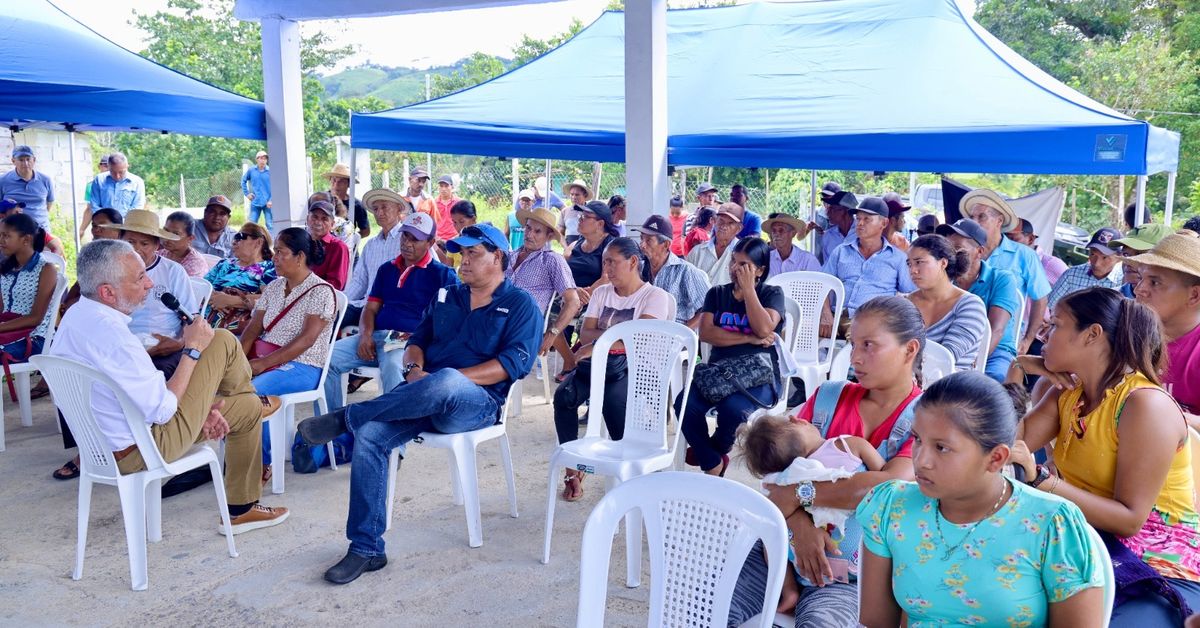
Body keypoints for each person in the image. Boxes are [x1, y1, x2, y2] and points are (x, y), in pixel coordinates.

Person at [296, 223, 540, 585]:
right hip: (422, 397)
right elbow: (416, 342)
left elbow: (511, 365)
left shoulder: (521, 304)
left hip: (476, 405)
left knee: (447, 380)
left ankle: (348, 416)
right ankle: (366, 548)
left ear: (498, 257)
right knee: (371, 435)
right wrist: (413, 371)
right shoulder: (448, 296)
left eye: (473, 253)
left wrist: (445, 381)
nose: (463, 260)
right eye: (462, 253)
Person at [50, 239, 289, 535]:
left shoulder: (76, 316)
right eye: (139, 278)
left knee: (226, 354)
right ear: (107, 292)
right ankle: (241, 509)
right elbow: (163, 411)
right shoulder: (117, 339)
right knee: (239, 385)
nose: (150, 283)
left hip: (100, 445)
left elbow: (133, 394)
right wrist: (192, 348)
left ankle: (229, 406)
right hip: (141, 447)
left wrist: (202, 405)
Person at [726, 296, 924, 627]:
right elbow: (774, 478)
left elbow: (887, 488)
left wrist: (798, 495)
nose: (855, 357)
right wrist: (799, 525)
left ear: (909, 349)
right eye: (853, 344)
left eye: (869, 345)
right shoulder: (828, 397)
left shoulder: (925, 419)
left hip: (854, 575)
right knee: (707, 608)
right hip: (784, 550)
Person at [1011, 287, 1200, 625]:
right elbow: (1002, 448)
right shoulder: (1068, 393)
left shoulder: (1143, 405)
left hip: (1158, 564)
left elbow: (1129, 520)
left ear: (1092, 335)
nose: (1044, 335)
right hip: (1083, 540)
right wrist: (1018, 370)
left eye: (1056, 325)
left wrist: (1041, 480)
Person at [857, 371, 1105, 627]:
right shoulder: (893, 508)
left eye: (942, 447)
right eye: (918, 439)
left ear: (996, 458)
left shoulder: (1052, 526)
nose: (921, 460)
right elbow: (877, 623)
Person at [554, 238, 672, 501]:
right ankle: (573, 470)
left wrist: (600, 343)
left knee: (613, 402)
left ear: (633, 262)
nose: (606, 269)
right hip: (599, 366)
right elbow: (585, 333)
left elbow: (639, 340)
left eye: (612, 262)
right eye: (604, 262)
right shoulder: (602, 293)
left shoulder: (655, 296)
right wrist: (612, 341)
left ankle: (630, 473)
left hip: (636, 370)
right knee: (564, 396)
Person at [738, 417, 885, 611]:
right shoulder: (849, 446)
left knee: (770, 539)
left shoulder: (780, 479)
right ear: (798, 420)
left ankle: (789, 590)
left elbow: (770, 516)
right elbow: (888, 481)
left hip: (805, 571)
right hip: (862, 562)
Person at [324, 213, 459, 410]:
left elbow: (448, 320)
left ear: (430, 243)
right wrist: (365, 335)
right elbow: (370, 308)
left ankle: (393, 428)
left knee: (394, 365)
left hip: (410, 343)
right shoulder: (386, 269)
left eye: (415, 239)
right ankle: (334, 423)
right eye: (405, 236)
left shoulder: (443, 275)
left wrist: (419, 339)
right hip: (377, 337)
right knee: (327, 358)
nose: (407, 243)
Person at [681, 238, 785, 476]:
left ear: (760, 270)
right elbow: (707, 333)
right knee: (684, 404)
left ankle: (713, 451)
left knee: (734, 410)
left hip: (759, 376)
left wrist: (749, 291)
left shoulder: (771, 294)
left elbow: (763, 329)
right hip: (720, 373)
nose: (734, 268)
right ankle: (713, 462)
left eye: (744, 265)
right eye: (733, 261)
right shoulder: (717, 294)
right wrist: (749, 338)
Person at [240, 228, 337, 476]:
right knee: (230, 384)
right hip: (268, 361)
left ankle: (261, 464)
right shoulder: (274, 287)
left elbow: (306, 340)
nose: (274, 258)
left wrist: (262, 365)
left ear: (300, 257)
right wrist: (238, 362)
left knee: (252, 391)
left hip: (305, 366)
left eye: (281, 252)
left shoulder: (321, 291)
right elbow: (252, 330)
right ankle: (239, 456)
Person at [108, 210, 200, 374]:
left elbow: (191, 317)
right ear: (120, 241)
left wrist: (179, 342)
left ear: (157, 245)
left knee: (157, 373)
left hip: (163, 346)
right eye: (130, 242)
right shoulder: (109, 270)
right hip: (122, 344)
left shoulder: (173, 271)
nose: (136, 249)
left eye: (144, 244)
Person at [961, 189, 1050, 354]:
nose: (975, 222)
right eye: (972, 217)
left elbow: (1040, 299)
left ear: (999, 221)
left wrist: (1027, 340)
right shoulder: (964, 251)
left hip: (1003, 342)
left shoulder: (1024, 255)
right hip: (962, 335)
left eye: (982, 217)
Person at [1131, 232, 1200, 431]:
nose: (1139, 289)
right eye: (1140, 278)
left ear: (1194, 295)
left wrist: (1162, 415)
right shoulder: (1124, 332)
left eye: (1155, 282)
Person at [939, 219, 1022, 381]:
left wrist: (973, 364)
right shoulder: (943, 277)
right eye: (948, 248)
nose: (950, 254)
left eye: (958, 248)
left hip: (995, 350)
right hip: (952, 343)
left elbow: (996, 330)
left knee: (993, 381)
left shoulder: (1002, 279)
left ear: (979, 252)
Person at [506, 206, 581, 374]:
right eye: (528, 228)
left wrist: (552, 333)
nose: (529, 234)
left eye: (537, 231)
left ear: (549, 236)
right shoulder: (509, 256)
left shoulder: (552, 260)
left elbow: (573, 301)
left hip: (523, 323)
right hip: (498, 317)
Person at [822, 196, 916, 318]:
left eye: (867, 219)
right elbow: (822, 283)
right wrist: (826, 314)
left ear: (884, 223)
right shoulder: (841, 251)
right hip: (838, 318)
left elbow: (912, 292)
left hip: (875, 321)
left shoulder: (898, 258)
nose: (860, 223)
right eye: (858, 218)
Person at [905, 234, 988, 370]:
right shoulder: (905, 303)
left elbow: (945, 359)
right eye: (909, 264)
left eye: (919, 262)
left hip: (950, 381)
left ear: (943, 263)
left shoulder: (970, 306)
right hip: (906, 378)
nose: (913, 270)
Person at [558, 200, 620, 379]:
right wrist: (572, 293)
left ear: (600, 224)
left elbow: (606, 279)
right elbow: (561, 273)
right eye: (580, 215)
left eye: (585, 216)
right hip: (571, 295)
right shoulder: (574, 245)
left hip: (598, 299)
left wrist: (582, 298)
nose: (580, 219)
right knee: (545, 316)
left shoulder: (610, 246)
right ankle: (570, 361)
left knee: (586, 325)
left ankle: (581, 365)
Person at [343, 188, 411, 331]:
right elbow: (359, 281)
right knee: (331, 317)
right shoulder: (370, 245)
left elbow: (430, 268)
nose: (379, 213)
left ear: (399, 208)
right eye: (375, 209)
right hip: (366, 307)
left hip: (395, 308)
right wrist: (341, 301)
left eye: (384, 207)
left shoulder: (409, 240)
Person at [634, 215, 710, 328]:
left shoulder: (686, 271)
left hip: (674, 334)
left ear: (666, 244)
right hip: (642, 333)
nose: (642, 245)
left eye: (649, 240)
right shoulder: (638, 268)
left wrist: (682, 331)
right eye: (641, 239)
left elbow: (709, 307)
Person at [0, 213, 58, 362]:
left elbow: (35, 318)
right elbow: (1, 309)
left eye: (6, 236)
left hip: (34, 338)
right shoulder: (6, 268)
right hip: (7, 332)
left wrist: (2, 327)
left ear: (26, 239)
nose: (1, 240)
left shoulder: (46, 269)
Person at [204, 222, 275, 333]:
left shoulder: (268, 268)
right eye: (234, 237)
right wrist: (214, 299)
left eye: (240, 237)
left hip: (236, 330)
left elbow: (271, 300)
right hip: (202, 323)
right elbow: (201, 287)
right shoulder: (224, 264)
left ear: (258, 242)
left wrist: (230, 300)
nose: (234, 242)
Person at [1046, 227, 1124, 311]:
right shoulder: (1072, 275)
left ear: (1119, 258)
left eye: (1104, 257)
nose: (1096, 263)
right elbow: (1050, 306)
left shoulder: (1123, 282)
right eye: (1093, 254)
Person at [79, 152, 144, 238]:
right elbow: (94, 205)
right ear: (108, 167)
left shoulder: (137, 182)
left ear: (127, 166)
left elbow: (137, 207)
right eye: (113, 172)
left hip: (126, 229)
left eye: (121, 172)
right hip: (102, 229)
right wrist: (107, 223)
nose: (117, 176)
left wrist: (119, 224)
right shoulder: (99, 180)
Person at [687, 202, 743, 286]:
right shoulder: (697, 252)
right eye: (721, 220)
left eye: (730, 223)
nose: (724, 226)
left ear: (738, 229)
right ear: (714, 221)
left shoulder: (743, 255)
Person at [0, 146, 55, 230]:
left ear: (34, 160)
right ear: (13, 161)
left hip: (41, 230)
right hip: (13, 231)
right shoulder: (3, 180)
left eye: (28, 159)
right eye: (21, 160)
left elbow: (49, 203)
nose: (25, 163)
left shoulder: (45, 180)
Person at [1112, 223, 1173, 298]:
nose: (1128, 262)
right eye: (1126, 254)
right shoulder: (1111, 300)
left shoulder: (1178, 302)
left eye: (1140, 255)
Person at [305, 200, 350, 291]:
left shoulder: (338, 247)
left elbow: (335, 285)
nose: (318, 222)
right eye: (314, 217)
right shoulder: (302, 243)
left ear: (332, 224)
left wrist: (306, 290)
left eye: (324, 219)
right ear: (307, 219)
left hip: (322, 296)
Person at [763, 213, 819, 278]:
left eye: (781, 230)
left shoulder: (808, 260)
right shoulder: (766, 259)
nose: (776, 234)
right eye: (774, 231)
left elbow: (819, 283)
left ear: (793, 233)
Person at [325, 163, 370, 239]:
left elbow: (365, 231)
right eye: (334, 180)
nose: (336, 184)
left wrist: (349, 238)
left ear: (349, 184)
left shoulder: (356, 205)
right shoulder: (321, 200)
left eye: (341, 181)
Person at [159, 211, 209, 278]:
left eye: (176, 234)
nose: (168, 237)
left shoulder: (195, 264)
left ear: (190, 238)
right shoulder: (162, 253)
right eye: (166, 231)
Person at [816, 190, 857, 263]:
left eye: (832, 209)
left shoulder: (863, 234)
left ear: (846, 211)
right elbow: (828, 266)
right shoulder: (828, 236)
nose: (827, 213)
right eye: (828, 208)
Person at [434, 200, 479, 268]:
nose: (458, 227)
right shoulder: (453, 243)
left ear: (473, 219)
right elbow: (449, 269)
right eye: (454, 222)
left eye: (462, 222)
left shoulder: (483, 243)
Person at [241, 150, 272, 234]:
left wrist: (271, 200)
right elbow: (243, 181)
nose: (263, 160)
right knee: (252, 224)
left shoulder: (270, 171)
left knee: (270, 224)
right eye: (261, 158)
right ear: (256, 159)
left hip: (268, 203)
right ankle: (250, 239)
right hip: (255, 202)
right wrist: (247, 194)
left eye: (265, 158)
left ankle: (272, 240)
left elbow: (276, 186)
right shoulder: (251, 170)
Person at [561, 179, 591, 246]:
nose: (574, 197)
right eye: (572, 194)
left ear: (585, 195)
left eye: (577, 195)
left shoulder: (591, 212)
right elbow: (560, 232)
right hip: (569, 247)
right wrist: (566, 248)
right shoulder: (565, 211)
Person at [430, 174, 460, 242]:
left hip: (455, 239)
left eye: (446, 186)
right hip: (438, 240)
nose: (443, 189)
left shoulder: (459, 203)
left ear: (452, 187)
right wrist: (436, 238)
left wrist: (456, 237)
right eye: (441, 186)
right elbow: (431, 223)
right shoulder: (433, 203)